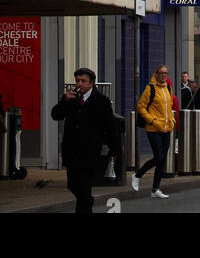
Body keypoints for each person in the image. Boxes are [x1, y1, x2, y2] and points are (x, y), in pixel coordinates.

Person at [51, 67, 120, 214]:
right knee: (72, 185)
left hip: (89, 151)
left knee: (84, 186)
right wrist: (64, 101)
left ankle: (85, 205)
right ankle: (88, 201)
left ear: (91, 83)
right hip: (71, 150)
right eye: (77, 81)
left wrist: (115, 149)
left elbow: (110, 126)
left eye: (83, 81)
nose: (79, 84)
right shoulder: (71, 99)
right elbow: (56, 115)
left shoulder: (101, 101)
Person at [131, 63, 175, 200]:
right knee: (158, 157)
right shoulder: (150, 88)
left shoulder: (168, 87)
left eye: (165, 73)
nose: (163, 75)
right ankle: (137, 175)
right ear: (156, 74)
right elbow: (141, 106)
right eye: (161, 73)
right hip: (153, 128)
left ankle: (155, 189)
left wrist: (172, 120)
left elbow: (169, 106)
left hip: (166, 128)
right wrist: (152, 120)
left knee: (162, 160)